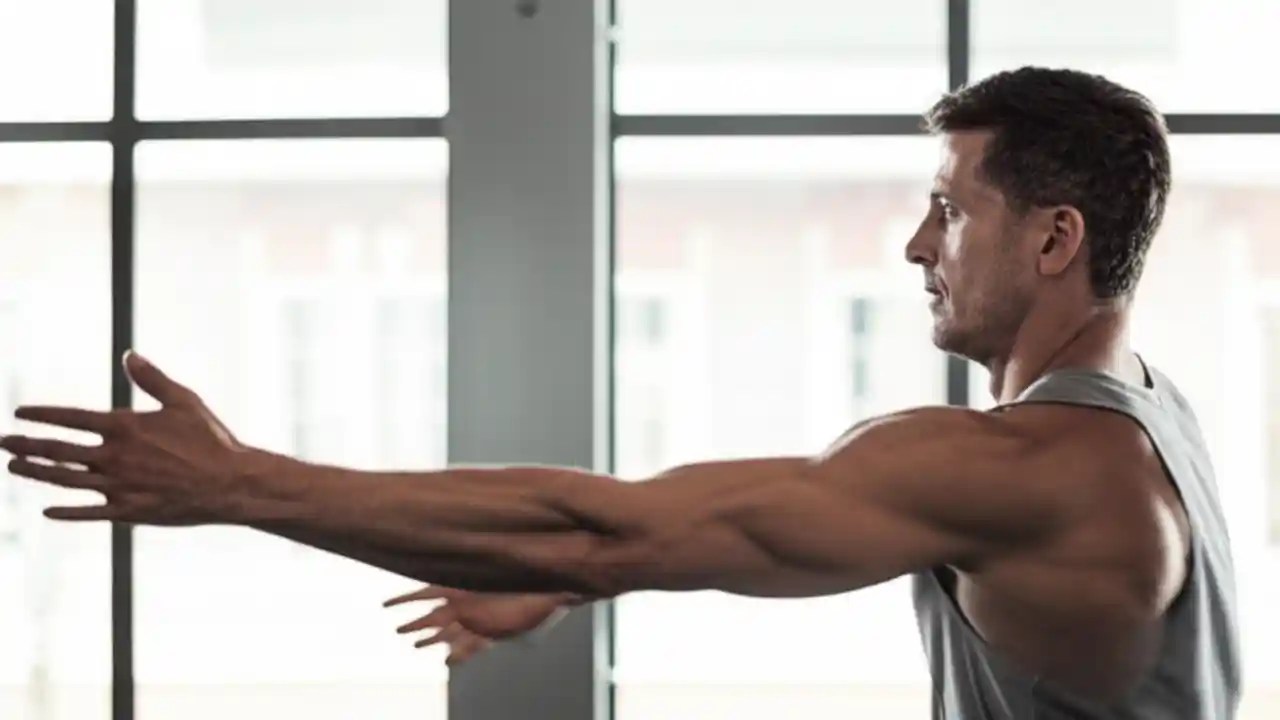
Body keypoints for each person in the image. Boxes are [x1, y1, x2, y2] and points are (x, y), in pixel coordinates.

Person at [0, 67, 1240, 719]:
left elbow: (610, 523)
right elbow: (688, 532)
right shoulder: (1139, 410)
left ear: (1052, 239)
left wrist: (237, 483)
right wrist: (591, 563)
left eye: (947, 209)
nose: (916, 248)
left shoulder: (1033, 470)